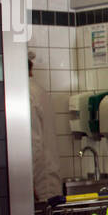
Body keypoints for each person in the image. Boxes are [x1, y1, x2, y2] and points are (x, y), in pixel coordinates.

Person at [27, 50, 63, 204]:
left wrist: (28, 182)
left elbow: (33, 144)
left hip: (39, 185)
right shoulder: (36, 90)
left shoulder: (25, 93)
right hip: (47, 181)